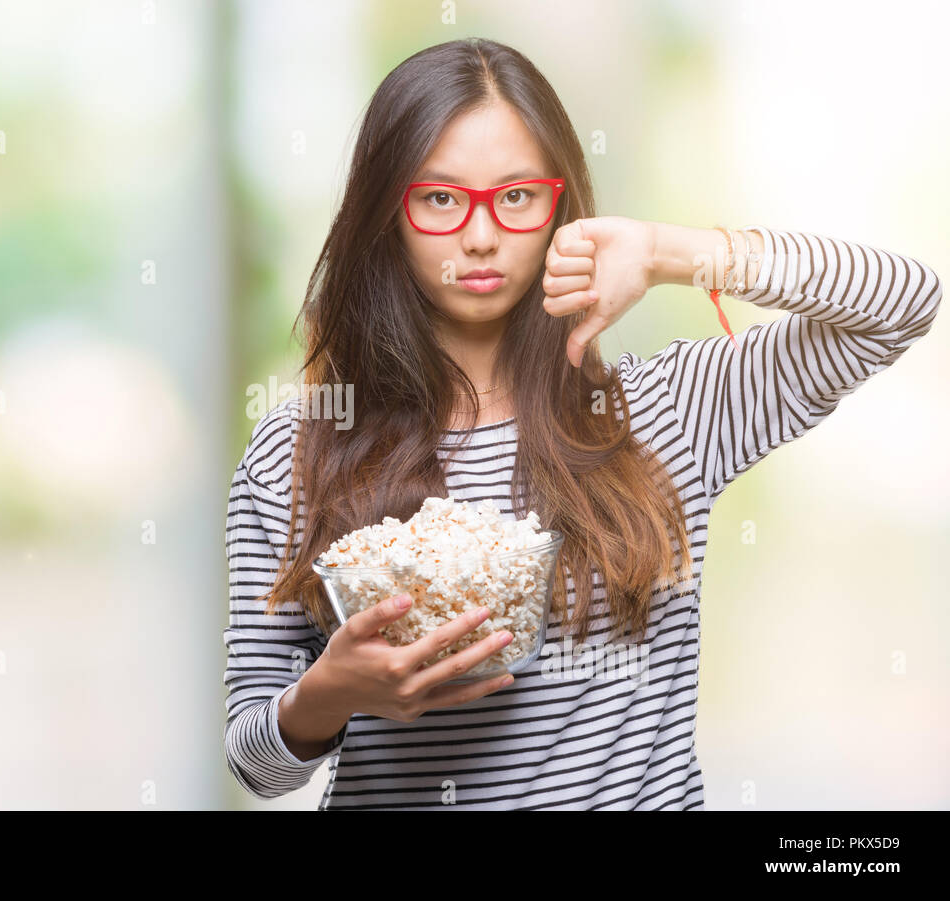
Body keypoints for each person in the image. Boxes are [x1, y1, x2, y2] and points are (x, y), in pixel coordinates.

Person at [222, 37, 941, 809]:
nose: (481, 235)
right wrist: (326, 695)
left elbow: (902, 301)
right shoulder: (299, 447)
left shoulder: (668, 413)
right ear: (385, 214)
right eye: (439, 198)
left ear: (560, 208)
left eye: (517, 196)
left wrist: (671, 251)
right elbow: (257, 766)